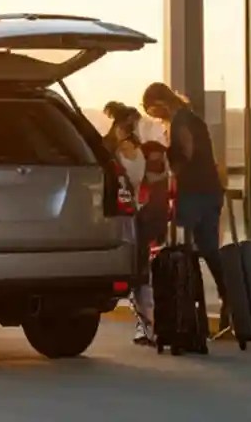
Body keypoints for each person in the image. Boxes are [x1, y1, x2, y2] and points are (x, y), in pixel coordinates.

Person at [141, 82, 226, 309]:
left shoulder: (181, 121)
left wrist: (167, 162)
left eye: (154, 112)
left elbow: (186, 152)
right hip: (210, 190)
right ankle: (228, 293)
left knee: (182, 247)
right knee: (208, 247)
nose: (157, 118)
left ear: (161, 103)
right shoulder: (192, 118)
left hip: (194, 192)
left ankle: (188, 297)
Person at [107, 105, 168, 345]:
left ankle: (146, 326)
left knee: (138, 271)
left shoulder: (111, 153)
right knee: (141, 270)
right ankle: (147, 325)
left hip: (126, 218)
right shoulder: (142, 152)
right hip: (140, 215)